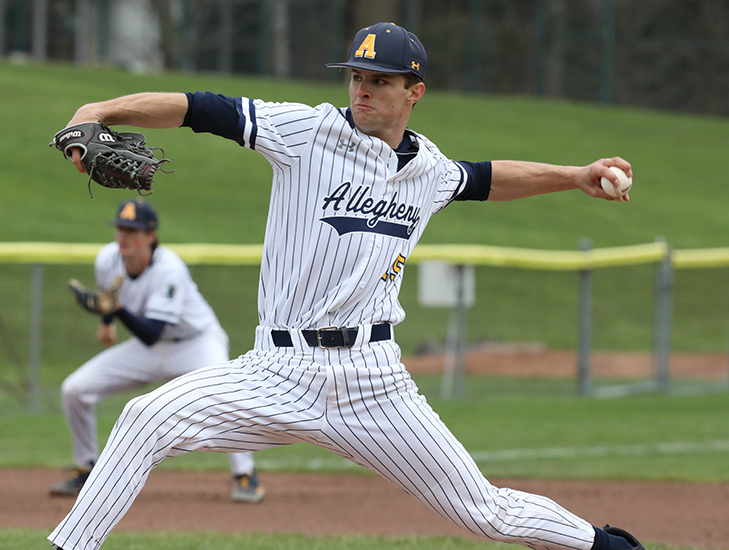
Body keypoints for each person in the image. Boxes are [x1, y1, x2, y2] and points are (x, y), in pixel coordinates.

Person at [48, 21, 643, 550]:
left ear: (415, 93)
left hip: (374, 382)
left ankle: (611, 547)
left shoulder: (427, 170)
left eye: (380, 80)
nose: (362, 89)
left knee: (483, 511)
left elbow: (489, 178)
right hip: (275, 371)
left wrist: (575, 175)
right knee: (143, 420)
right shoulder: (305, 131)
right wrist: (101, 108)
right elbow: (197, 108)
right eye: (357, 76)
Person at [50, 197, 265, 504]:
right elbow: (112, 294)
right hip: (147, 348)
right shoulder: (107, 258)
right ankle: (87, 468)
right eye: (120, 228)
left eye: (132, 230)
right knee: (75, 389)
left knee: (226, 399)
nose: (123, 236)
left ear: (150, 236)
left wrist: (116, 311)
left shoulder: (169, 268)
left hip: (197, 344)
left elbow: (151, 331)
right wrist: (107, 321)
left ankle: (246, 475)